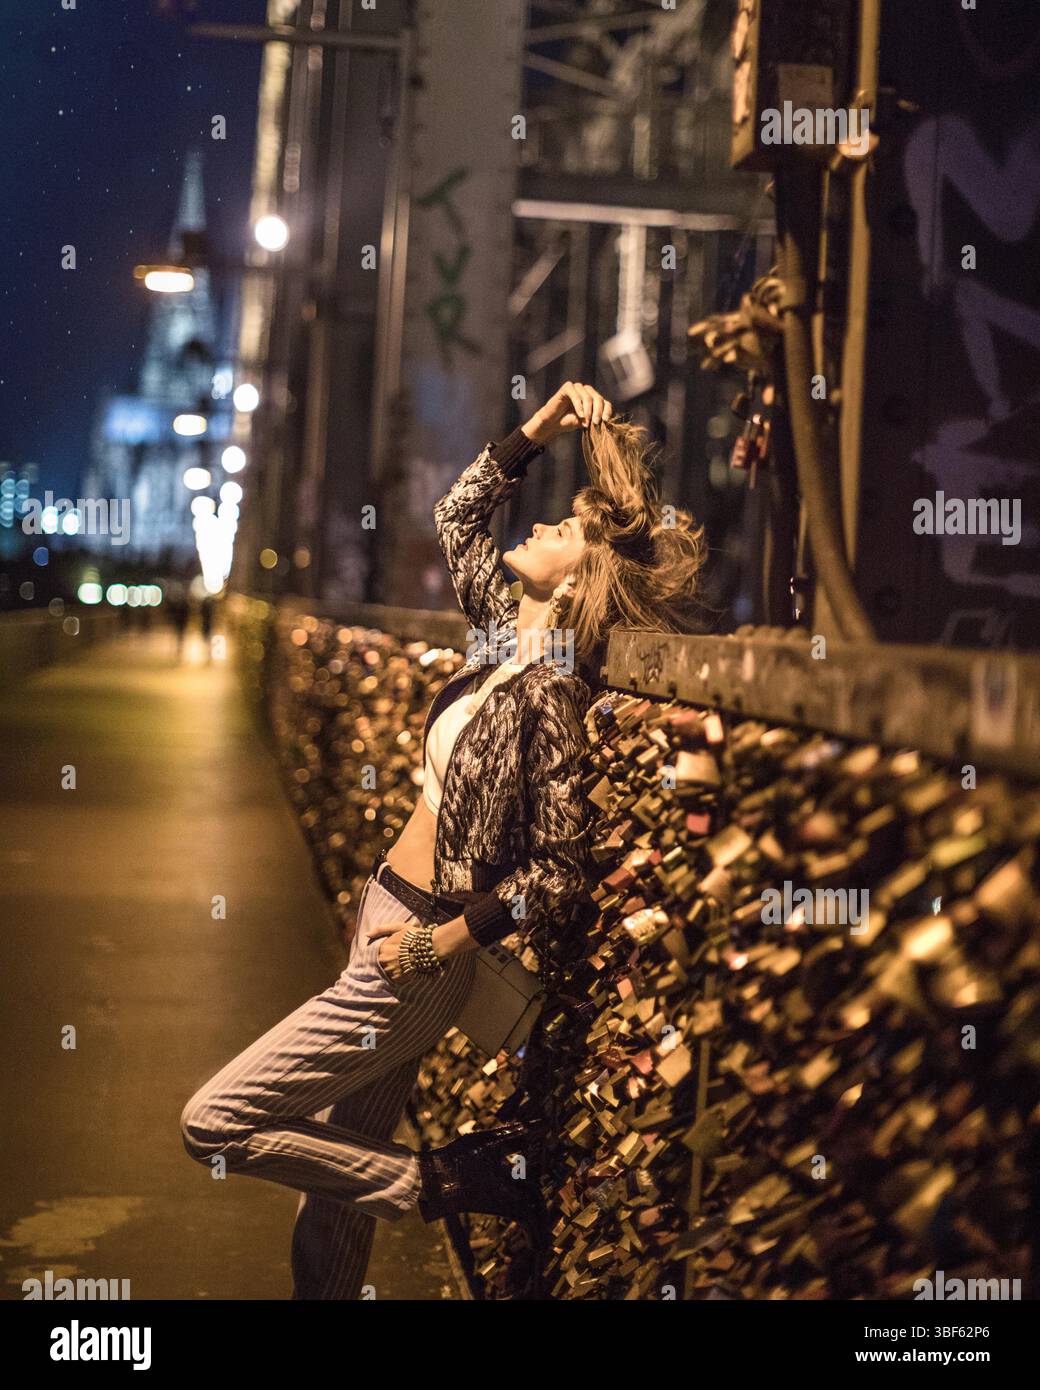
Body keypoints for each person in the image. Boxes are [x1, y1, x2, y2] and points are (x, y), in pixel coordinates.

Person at [179, 383, 706, 1299]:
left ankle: (444, 1182)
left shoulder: (550, 694)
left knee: (216, 1120)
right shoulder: (500, 637)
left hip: (421, 950)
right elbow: (457, 512)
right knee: (336, 1184)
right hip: (386, 911)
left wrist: (437, 942)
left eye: (564, 532)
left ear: (581, 579)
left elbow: (557, 872)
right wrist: (541, 427)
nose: (539, 529)